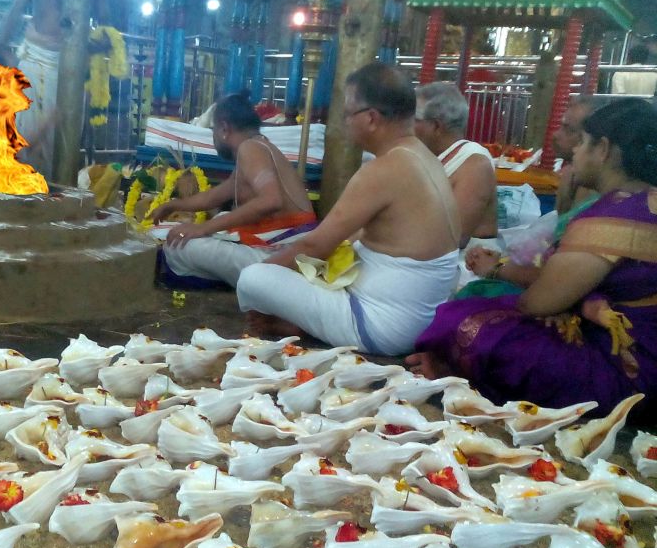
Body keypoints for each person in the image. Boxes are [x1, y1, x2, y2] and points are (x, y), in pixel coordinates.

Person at [410, 98, 657, 413]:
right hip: (627, 346)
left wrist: (563, 304)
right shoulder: (642, 201)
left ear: (603, 149)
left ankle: (457, 377)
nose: (575, 150)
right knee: (474, 306)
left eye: (582, 141)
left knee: (471, 326)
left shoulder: (615, 216)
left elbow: (537, 303)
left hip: (628, 372)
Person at [236, 63, 461, 355]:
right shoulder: (425, 158)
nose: (344, 122)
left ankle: (306, 323)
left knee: (252, 278)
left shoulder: (384, 169)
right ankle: (305, 323)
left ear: (371, 118)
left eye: (347, 113)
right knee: (305, 265)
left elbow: (316, 245)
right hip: (417, 320)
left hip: (379, 326)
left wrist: (267, 273)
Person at [152, 91, 316, 287]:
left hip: (287, 256)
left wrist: (202, 228)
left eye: (213, 130)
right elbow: (213, 197)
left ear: (224, 128)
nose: (214, 137)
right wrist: (173, 205)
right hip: (287, 252)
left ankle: (243, 283)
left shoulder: (250, 148)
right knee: (216, 222)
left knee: (179, 247)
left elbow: (271, 201)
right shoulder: (256, 147)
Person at [458, 95, 608, 300]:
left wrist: (495, 269)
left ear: (601, 147)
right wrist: (503, 263)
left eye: (569, 130)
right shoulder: (572, 178)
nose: (556, 135)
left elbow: (560, 283)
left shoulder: (597, 198)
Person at [0, 0, 109, 176]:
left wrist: (93, 44)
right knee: (26, 134)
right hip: (34, 58)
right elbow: (15, 10)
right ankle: (21, 189)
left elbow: (108, 32)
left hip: (71, 69)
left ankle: (54, 192)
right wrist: (0, 48)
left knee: (63, 138)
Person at [415, 82, 497, 245]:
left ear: (436, 126)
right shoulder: (426, 156)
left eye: (414, 119)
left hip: (466, 256)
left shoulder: (475, 164)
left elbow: (454, 237)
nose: (406, 125)